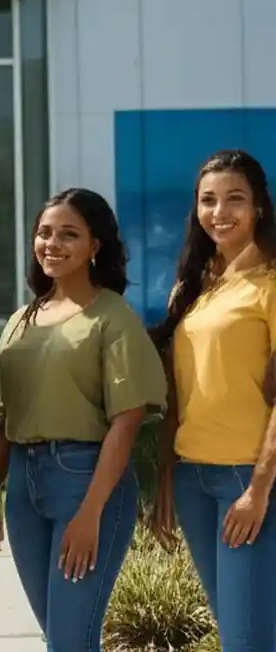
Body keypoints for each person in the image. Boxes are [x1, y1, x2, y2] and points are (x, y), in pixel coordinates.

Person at [0, 188, 165, 650]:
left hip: (85, 481)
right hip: (24, 488)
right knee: (60, 637)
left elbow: (127, 421)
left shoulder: (112, 317)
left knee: (71, 640)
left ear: (95, 246)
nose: (52, 243)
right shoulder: (21, 319)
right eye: (44, 233)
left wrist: (91, 514)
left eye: (69, 234)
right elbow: (7, 414)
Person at [150, 150, 276, 649]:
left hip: (247, 478)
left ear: (259, 207)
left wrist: (259, 489)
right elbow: (179, 394)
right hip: (193, 478)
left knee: (249, 639)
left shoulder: (270, 283)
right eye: (208, 201)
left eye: (234, 199)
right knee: (238, 632)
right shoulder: (195, 287)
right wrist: (165, 476)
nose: (220, 212)